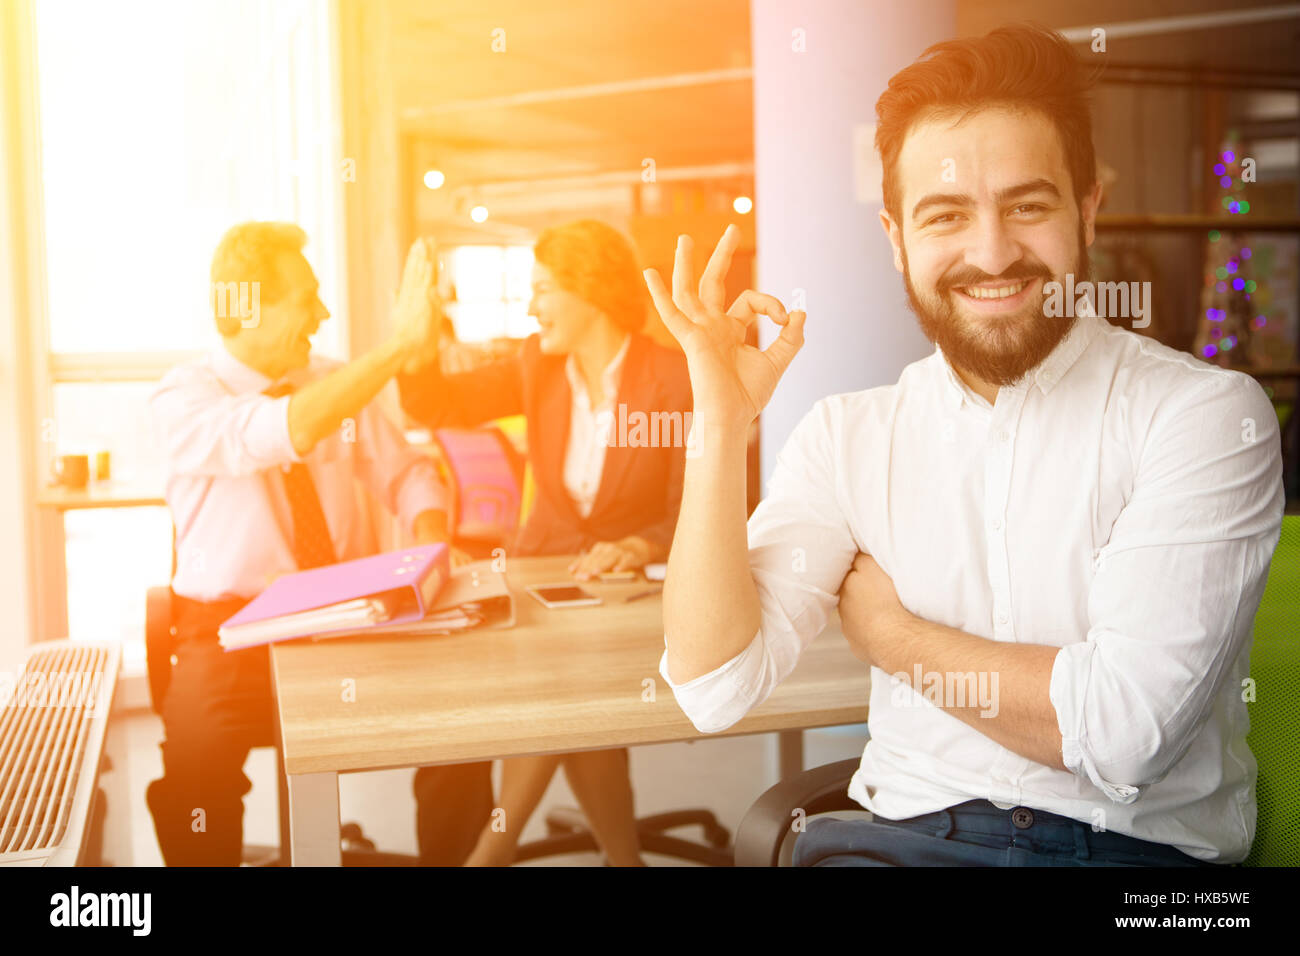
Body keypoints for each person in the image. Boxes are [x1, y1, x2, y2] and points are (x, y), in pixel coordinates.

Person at [649, 25, 1283, 866]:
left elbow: (1124, 736)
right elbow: (713, 686)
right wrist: (720, 428)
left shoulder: (1201, 416)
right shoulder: (850, 436)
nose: (991, 252)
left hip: (1142, 868)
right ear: (896, 236)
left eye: (1028, 205)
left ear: (1087, 207)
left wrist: (895, 639)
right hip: (902, 843)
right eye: (946, 214)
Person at [147, 222, 486, 865]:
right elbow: (276, 432)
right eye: (308, 298)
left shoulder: (332, 383)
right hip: (229, 628)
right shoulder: (182, 398)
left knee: (458, 727)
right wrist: (396, 350)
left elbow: (408, 473)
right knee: (194, 769)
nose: (323, 314)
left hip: (347, 614)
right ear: (248, 305)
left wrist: (432, 539)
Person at [399, 219, 692, 866]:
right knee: (570, 695)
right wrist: (414, 346)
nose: (532, 307)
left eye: (543, 289)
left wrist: (640, 548)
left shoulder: (673, 381)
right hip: (544, 577)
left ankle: (494, 849)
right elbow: (441, 405)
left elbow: (705, 509)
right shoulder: (541, 365)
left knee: (570, 688)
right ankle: (621, 858)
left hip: (630, 596)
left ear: (590, 290)